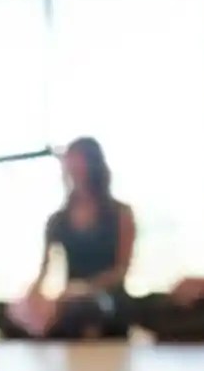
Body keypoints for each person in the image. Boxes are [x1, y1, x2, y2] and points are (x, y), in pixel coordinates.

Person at [8, 138, 136, 339]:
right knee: (16, 316)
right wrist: (32, 297)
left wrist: (85, 288)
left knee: (85, 309)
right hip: (68, 301)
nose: (75, 167)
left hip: (108, 298)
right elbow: (44, 271)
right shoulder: (58, 220)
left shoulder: (120, 213)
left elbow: (121, 270)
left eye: (80, 160)